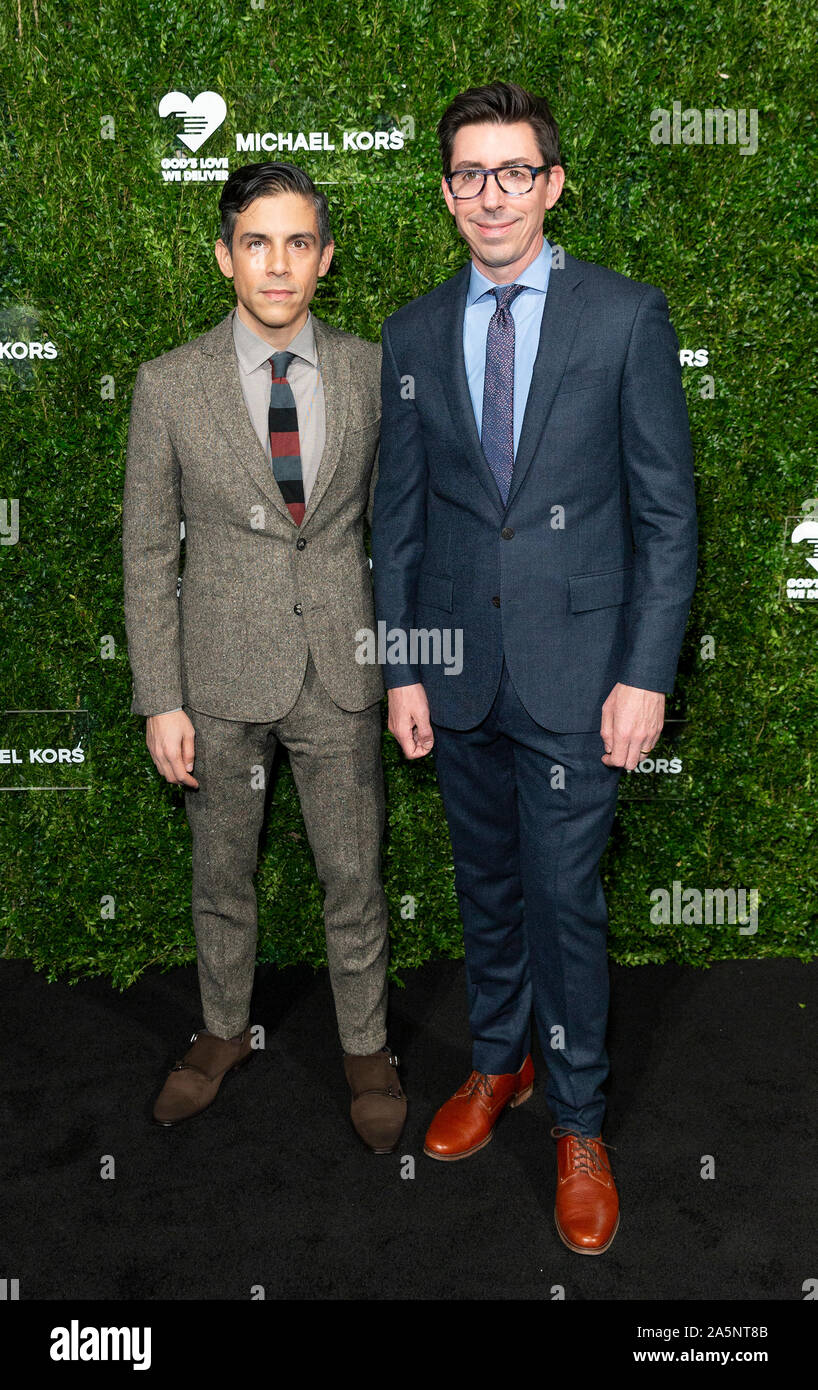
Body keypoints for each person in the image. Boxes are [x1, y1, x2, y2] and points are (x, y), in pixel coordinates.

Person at [371, 82, 697, 1250]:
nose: (491, 195)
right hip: (456, 668)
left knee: (562, 900)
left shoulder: (624, 316)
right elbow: (398, 520)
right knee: (487, 886)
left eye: (514, 172)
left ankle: (578, 1121)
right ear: (445, 191)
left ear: (551, 184)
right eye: (470, 174)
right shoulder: (412, 333)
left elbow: (664, 515)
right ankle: (497, 1063)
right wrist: (402, 667)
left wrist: (643, 676)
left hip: (582, 675)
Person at [122, 161, 406, 1153]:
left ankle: (366, 1048)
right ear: (224, 257)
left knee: (354, 875)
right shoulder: (168, 384)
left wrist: (403, 668)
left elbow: (397, 532)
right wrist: (160, 697)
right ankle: (218, 1030)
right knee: (221, 874)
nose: (277, 264)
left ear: (324, 258)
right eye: (256, 243)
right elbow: (148, 552)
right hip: (218, 677)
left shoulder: (373, 371)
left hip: (342, 668)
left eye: (297, 243)